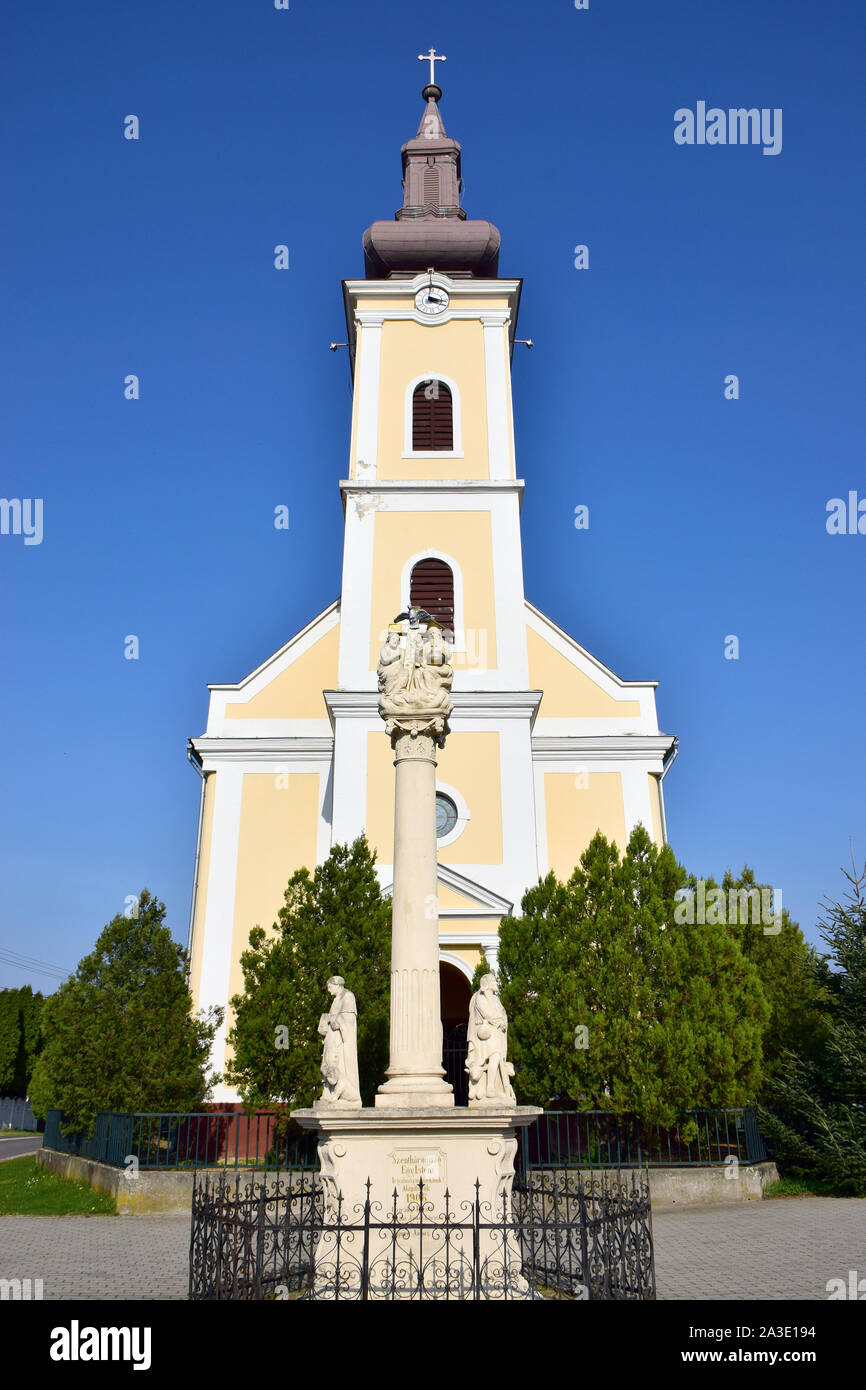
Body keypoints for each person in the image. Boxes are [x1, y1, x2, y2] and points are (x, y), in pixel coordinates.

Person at [465, 974, 516, 1103]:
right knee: (495, 1056)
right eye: (493, 980)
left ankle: (494, 1087)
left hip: (497, 1033)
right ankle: (490, 1087)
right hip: (486, 1035)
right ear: (486, 984)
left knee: (497, 1057)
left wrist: (503, 1022)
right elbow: (485, 1013)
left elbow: (503, 1013)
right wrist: (497, 1021)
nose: (496, 982)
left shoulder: (496, 999)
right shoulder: (479, 998)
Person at [318, 976, 361, 1105]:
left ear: (337, 985)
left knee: (335, 1065)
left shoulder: (347, 996)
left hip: (340, 1041)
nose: (329, 991)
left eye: (330, 987)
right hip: (331, 1038)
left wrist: (332, 1019)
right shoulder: (336, 999)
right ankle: (327, 1092)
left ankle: (338, 1094)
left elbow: (347, 1020)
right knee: (326, 1064)